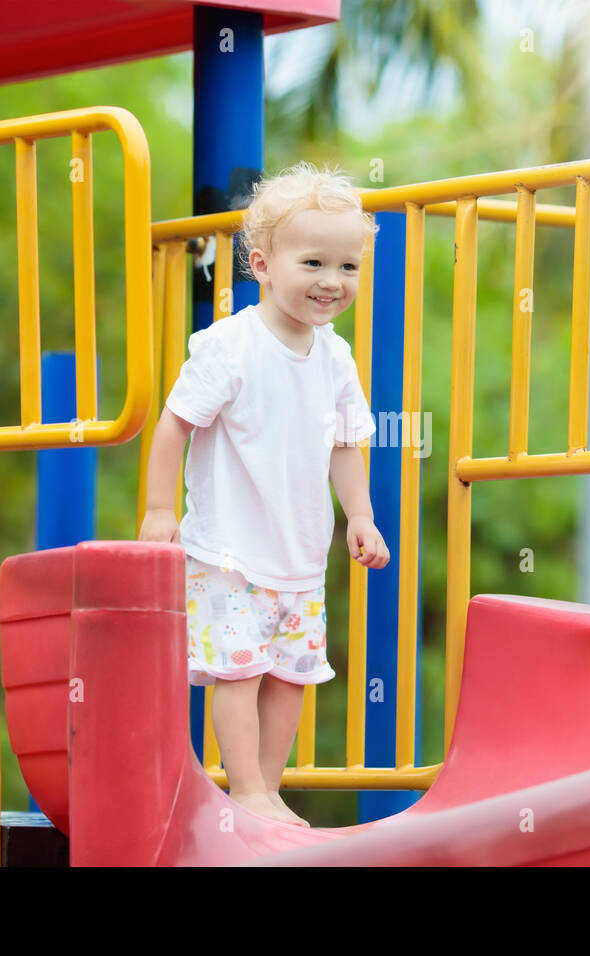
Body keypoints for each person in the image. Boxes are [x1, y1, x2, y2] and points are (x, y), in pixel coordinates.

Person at [138, 162, 390, 828]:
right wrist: (160, 509)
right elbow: (175, 423)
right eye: (313, 262)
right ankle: (244, 787)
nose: (332, 282)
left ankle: (266, 794)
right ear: (263, 264)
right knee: (239, 673)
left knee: (293, 676)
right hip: (229, 551)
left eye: (348, 267)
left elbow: (344, 442)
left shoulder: (335, 356)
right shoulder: (231, 347)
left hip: (300, 555)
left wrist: (359, 516)